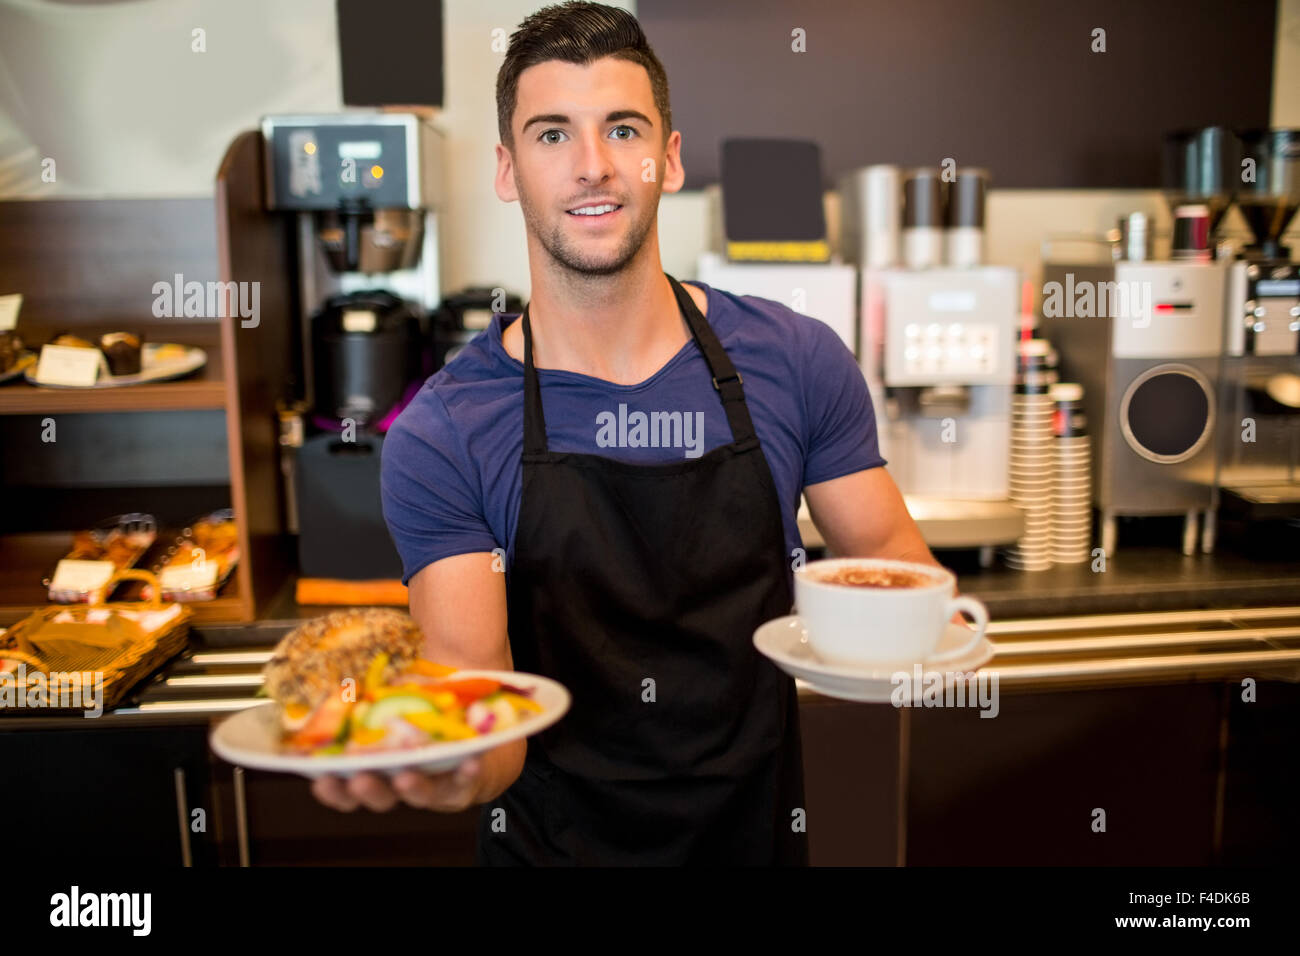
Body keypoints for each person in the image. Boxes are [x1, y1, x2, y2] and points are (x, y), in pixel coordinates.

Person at [312, 0, 946, 865]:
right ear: (507, 170)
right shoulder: (445, 432)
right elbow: (482, 710)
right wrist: (441, 767)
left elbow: (898, 568)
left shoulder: (797, 362)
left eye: (622, 128)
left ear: (669, 158)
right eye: (550, 135)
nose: (592, 166)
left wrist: (918, 638)